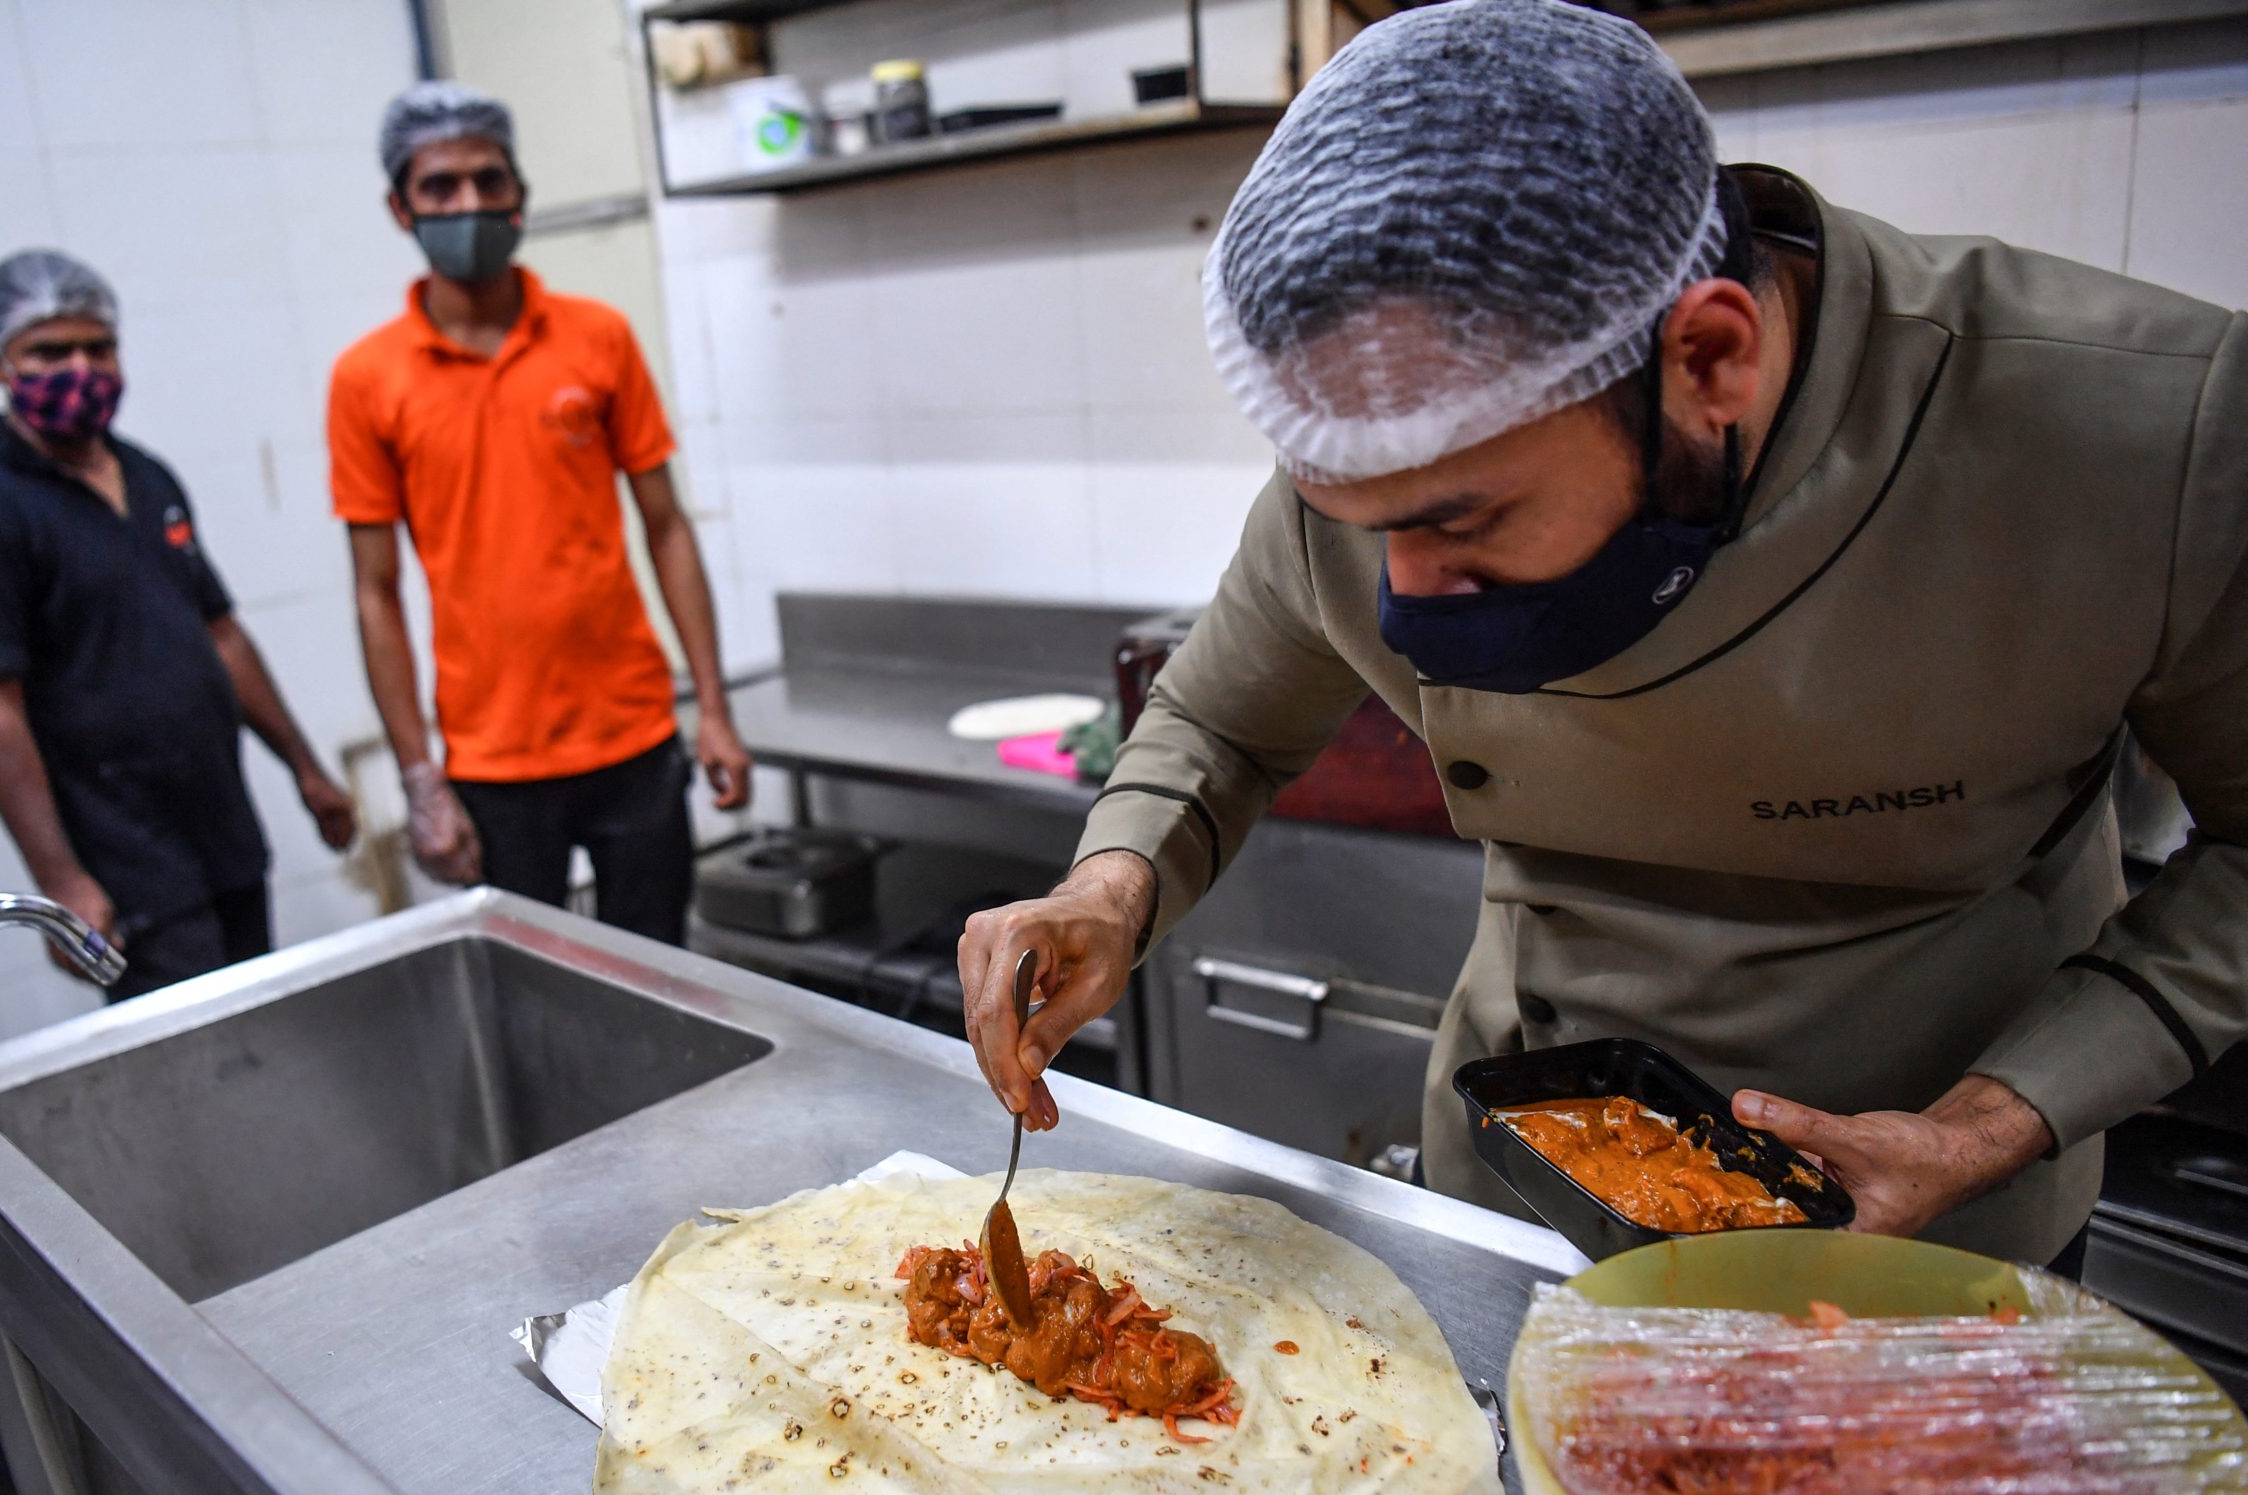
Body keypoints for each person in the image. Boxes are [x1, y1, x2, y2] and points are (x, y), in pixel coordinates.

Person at [958, 0, 2247, 1273]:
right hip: (1517, 1203)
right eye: (1361, 523)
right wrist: (1105, 893)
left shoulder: (2136, 438)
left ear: (1710, 359)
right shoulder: (1391, 461)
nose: (1406, 595)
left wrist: (1987, 1125)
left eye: (1464, 520)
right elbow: (1220, 719)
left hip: (1929, 1236)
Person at [329, 80, 750, 945]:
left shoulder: (598, 337)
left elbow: (666, 525)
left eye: (489, 179)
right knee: (529, 986)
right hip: (493, 761)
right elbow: (376, 591)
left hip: (633, 736)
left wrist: (712, 708)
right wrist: (420, 779)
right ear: (400, 207)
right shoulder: (368, 379)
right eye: (440, 186)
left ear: (519, 191)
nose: (469, 204)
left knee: (660, 972)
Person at [0, 249, 355, 1002]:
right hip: (127, 868)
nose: (81, 369)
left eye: (99, 347)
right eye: (50, 352)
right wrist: (61, 881)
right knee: (194, 1050)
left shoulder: (145, 475)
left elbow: (220, 636)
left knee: (261, 1027)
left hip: (222, 836)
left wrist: (306, 769)